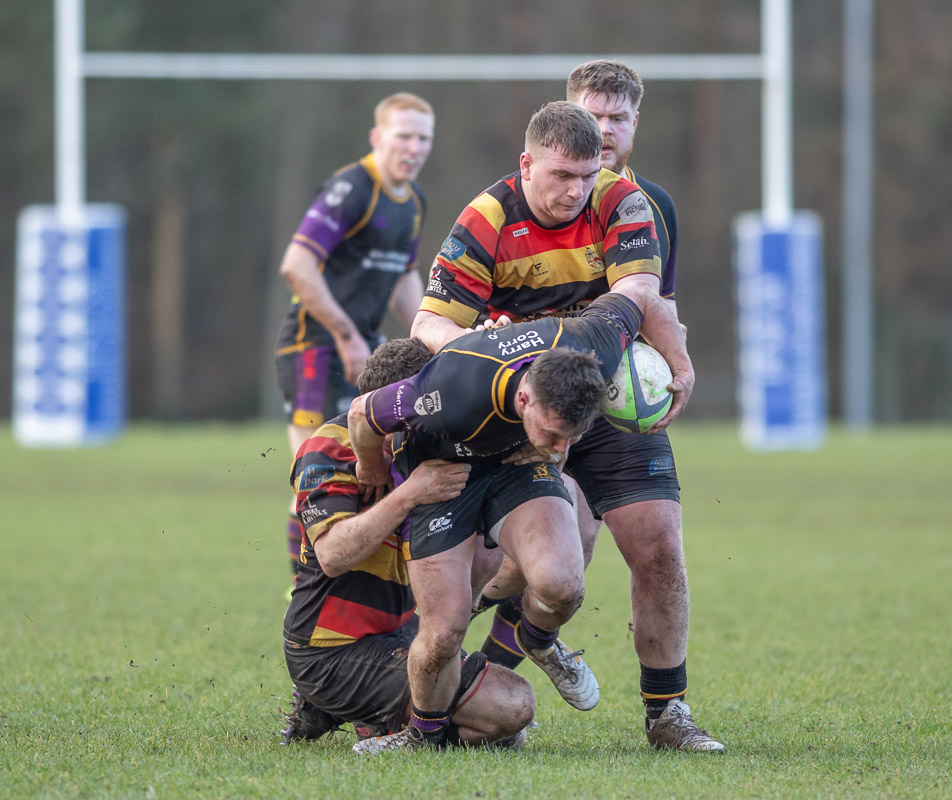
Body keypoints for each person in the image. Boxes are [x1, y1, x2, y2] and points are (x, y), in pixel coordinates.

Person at [411, 90, 724, 752]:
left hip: (606, 402)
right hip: (519, 406)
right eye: (562, 176)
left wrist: (679, 360)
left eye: (586, 176)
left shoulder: (622, 200)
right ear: (526, 164)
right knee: (519, 561)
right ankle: (463, 687)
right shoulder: (486, 218)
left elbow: (641, 294)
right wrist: (495, 353)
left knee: (659, 544)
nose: (577, 191)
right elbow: (428, 324)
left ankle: (667, 713)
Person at [349, 284, 660, 753]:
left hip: (515, 466)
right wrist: (372, 468)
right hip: (446, 474)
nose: (562, 449)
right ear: (524, 400)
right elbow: (361, 413)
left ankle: (537, 638)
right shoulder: (451, 387)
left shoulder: (591, 338)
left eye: (572, 437)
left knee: (563, 584)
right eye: (553, 434)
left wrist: (680, 364)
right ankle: (422, 737)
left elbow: (642, 292)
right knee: (444, 631)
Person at [281, 337, 534, 751]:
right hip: (329, 650)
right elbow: (332, 555)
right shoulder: (328, 449)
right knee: (510, 708)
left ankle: (372, 712)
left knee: (510, 718)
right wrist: (411, 493)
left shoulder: (437, 444)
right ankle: (354, 709)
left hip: (404, 635)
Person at [274, 92, 435, 585]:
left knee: (369, 466)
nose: (414, 148)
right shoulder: (351, 188)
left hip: (367, 349)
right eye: (404, 136)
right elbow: (296, 265)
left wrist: (435, 341)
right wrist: (346, 335)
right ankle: (304, 593)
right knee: (317, 471)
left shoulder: (413, 202)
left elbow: (404, 280)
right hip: (314, 349)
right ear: (377, 137)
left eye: (423, 138)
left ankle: (367, 586)